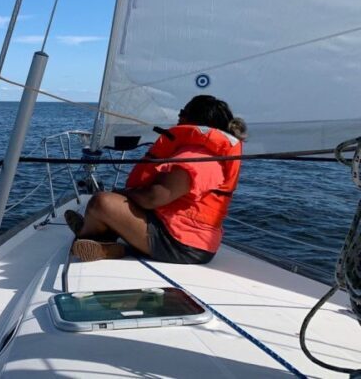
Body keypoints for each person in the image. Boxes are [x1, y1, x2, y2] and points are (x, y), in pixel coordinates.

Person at [65, 95, 248, 264]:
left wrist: (121, 194)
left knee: (102, 202)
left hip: (182, 244)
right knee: (116, 203)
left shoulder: (200, 158)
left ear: (196, 120)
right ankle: (105, 246)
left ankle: (87, 234)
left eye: (183, 113)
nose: (179, 117)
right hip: (178, 233)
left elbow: (153, 198)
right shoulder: (204, 153)